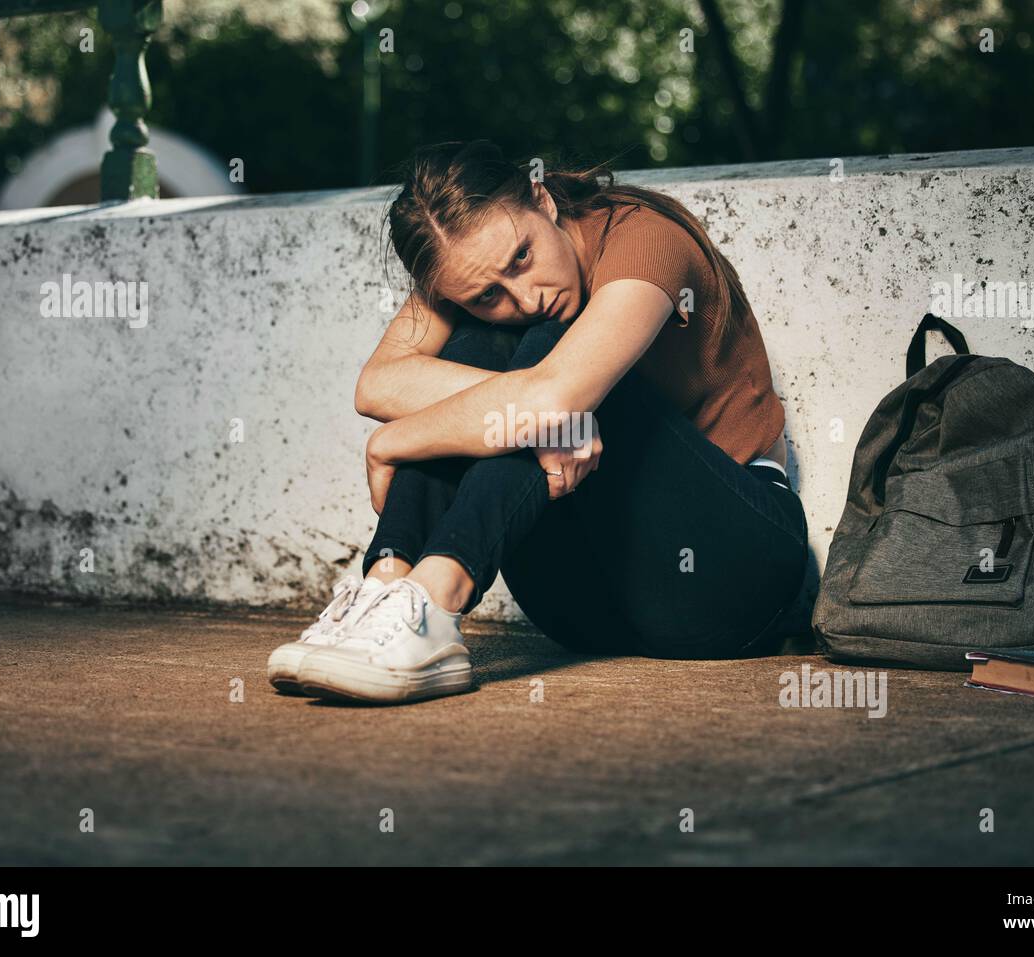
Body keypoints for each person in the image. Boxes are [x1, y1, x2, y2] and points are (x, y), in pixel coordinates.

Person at [267, 139, 808, 705]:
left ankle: (435, 597)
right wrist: (525, 402)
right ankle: (385, 587)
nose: (525, 296)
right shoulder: (463, 267)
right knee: (491, 346)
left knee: (550, 359)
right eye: (486, 292)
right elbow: (376, 384)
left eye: (521, 257)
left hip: (737, 575)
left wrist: (392, 442)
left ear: (542, 200)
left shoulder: (644, 235)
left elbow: (553, 397)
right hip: (586, 610)